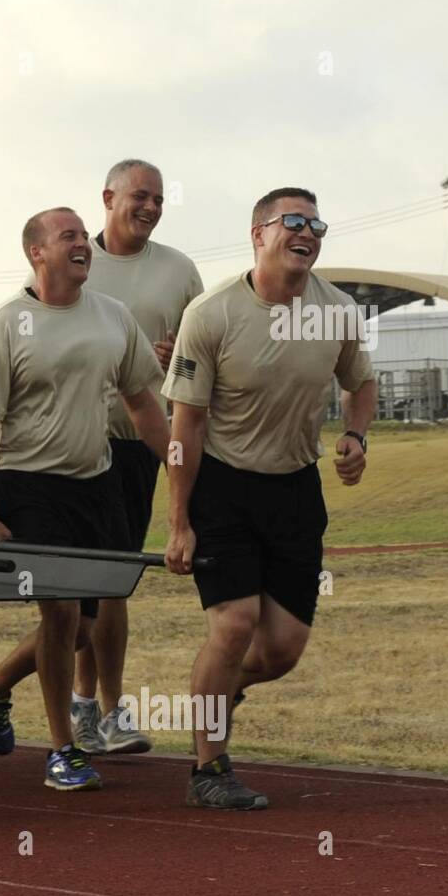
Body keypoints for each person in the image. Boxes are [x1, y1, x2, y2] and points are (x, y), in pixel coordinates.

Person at [162, 187, 376, 809]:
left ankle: (212, 697)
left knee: (280, 651)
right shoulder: (212, 313)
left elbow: (360, 383)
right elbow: (186, 428)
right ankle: (208, 768)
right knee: (233, 625)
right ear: (258, 234)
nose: (307, 231)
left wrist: (356, 436)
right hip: (223, 486)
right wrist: (179, 521)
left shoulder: (337, 311)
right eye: (293, 221)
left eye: (316, 223)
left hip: (295, 486)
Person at [0, 207, 168, 790]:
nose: (83, 244)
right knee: (59, 613)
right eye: (68, 237)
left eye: (84, 236)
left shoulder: (113, 316)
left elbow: (142, 402)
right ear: (37, 253)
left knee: (83, 629)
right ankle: (62, 750)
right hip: (28, 485)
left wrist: (181, 465)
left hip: (95, 484)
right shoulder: (6, 323)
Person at [69, 159, 204, 756]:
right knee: (74, 587)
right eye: (139, 197)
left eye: (158, 199)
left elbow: (207, 357)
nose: (149, 207)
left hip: (138, 446)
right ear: (108, 197)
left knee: (113, 581)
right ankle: (81, 706)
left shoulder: (178, 271)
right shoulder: (74, 260)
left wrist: (175, 360)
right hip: (69, 447)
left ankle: (102, 710)